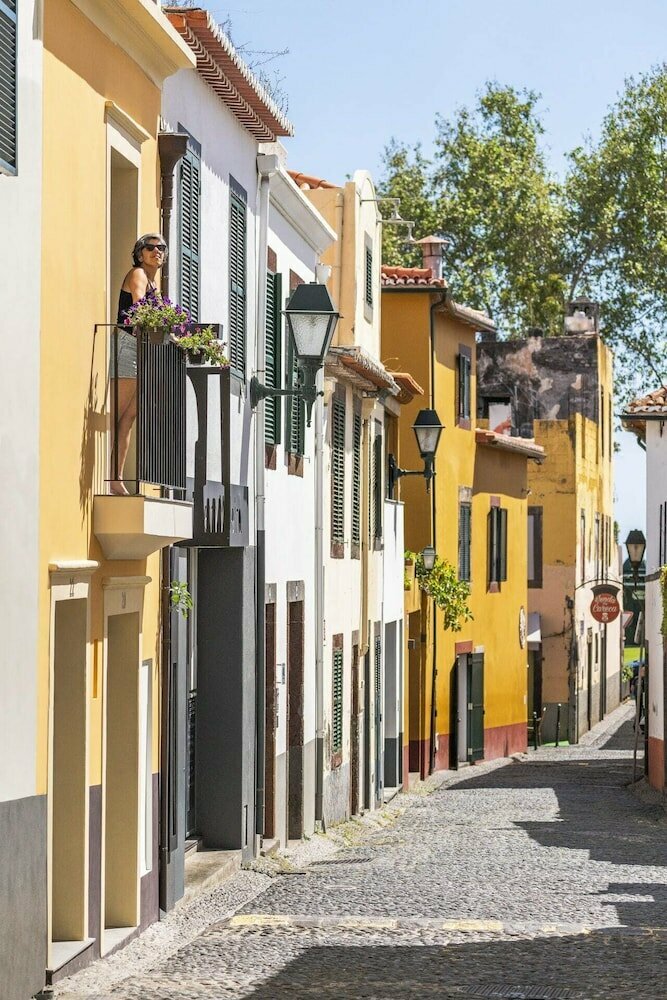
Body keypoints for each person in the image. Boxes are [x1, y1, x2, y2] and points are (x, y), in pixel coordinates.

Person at [110, 234, 168, 494]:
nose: (156, 251)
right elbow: (139, 307)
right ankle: (112, 477)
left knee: (129, 418)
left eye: (161, 248)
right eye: (150, 247)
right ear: (140, 253)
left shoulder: (155, 284)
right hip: (129, 346)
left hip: (142, 351)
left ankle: (117, 477)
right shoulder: (138, 275)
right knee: (119, 414)